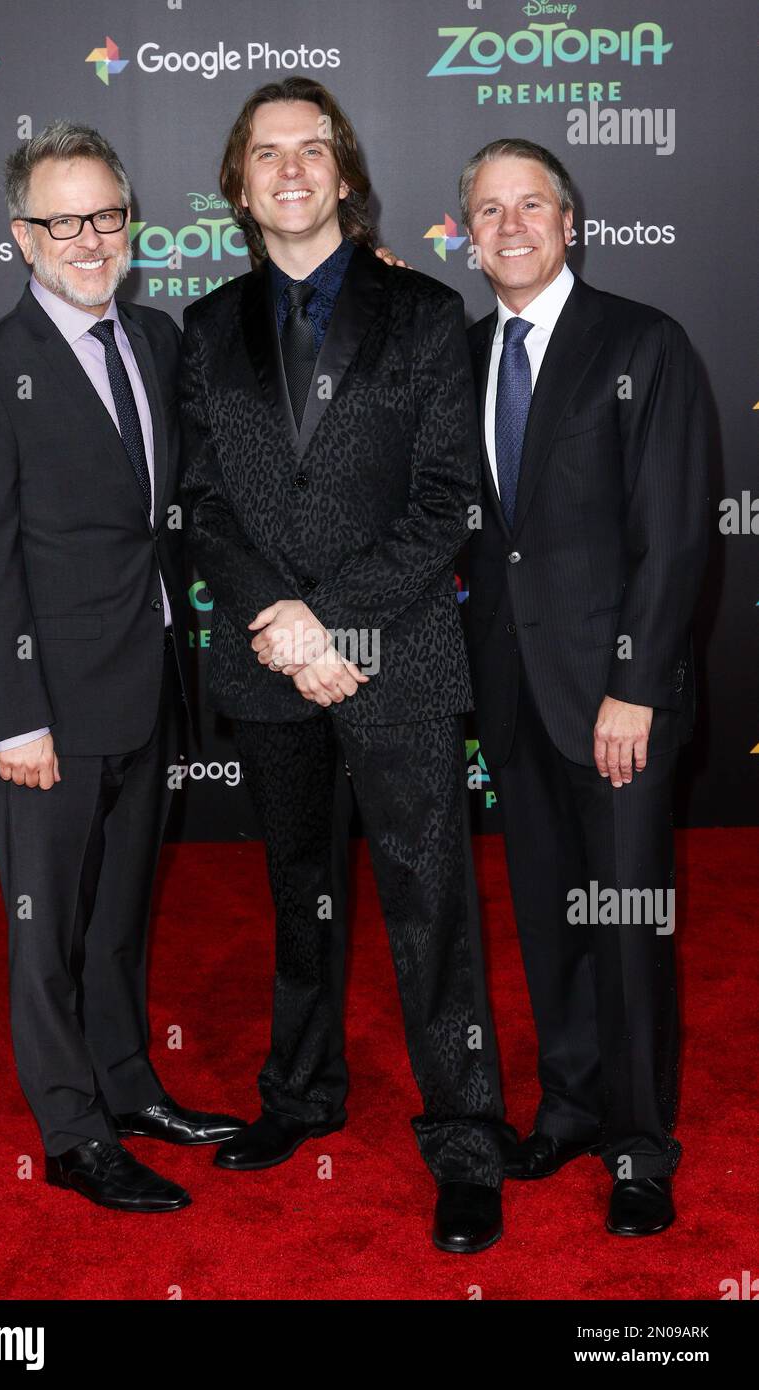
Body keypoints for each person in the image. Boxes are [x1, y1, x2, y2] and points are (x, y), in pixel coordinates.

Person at [179, 77, 515, 1254]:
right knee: (298, 893)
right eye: (263, 151)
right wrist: (280, 620)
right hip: (269, 655)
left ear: (342, 170)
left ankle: (466, 1139)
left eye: (308, 148)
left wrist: (330, 623)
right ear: (236, 182)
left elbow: (444, 500)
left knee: (431, 909)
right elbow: (203, 502)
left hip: (398, 654)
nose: (287, 168)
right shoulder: (204, 325)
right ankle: (301, 1093)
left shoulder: (422, 315)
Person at [0, 120, 242, 1214]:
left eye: (105, 214)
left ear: (127, 221)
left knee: (116, 918)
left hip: (147, 688)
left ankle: (128, 1086)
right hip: (47, 709)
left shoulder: (155, 341)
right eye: (62, 221)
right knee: (44, 929)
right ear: (22, 236)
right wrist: (14, 719)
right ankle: (71, 1133)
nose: (88, 238)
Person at [461, 138, 709, 1234]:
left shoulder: (640, 343)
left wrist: (633, 686)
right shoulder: (464, 355)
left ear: (570, 223)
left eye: (529, 206)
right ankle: (567, 1103)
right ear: (464, 236)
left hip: (615, 703)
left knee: (624, 923)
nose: (508, 226)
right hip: (512, 694)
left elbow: (675, 536)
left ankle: (639, 1142)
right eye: (485, 211)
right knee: (548, 914)